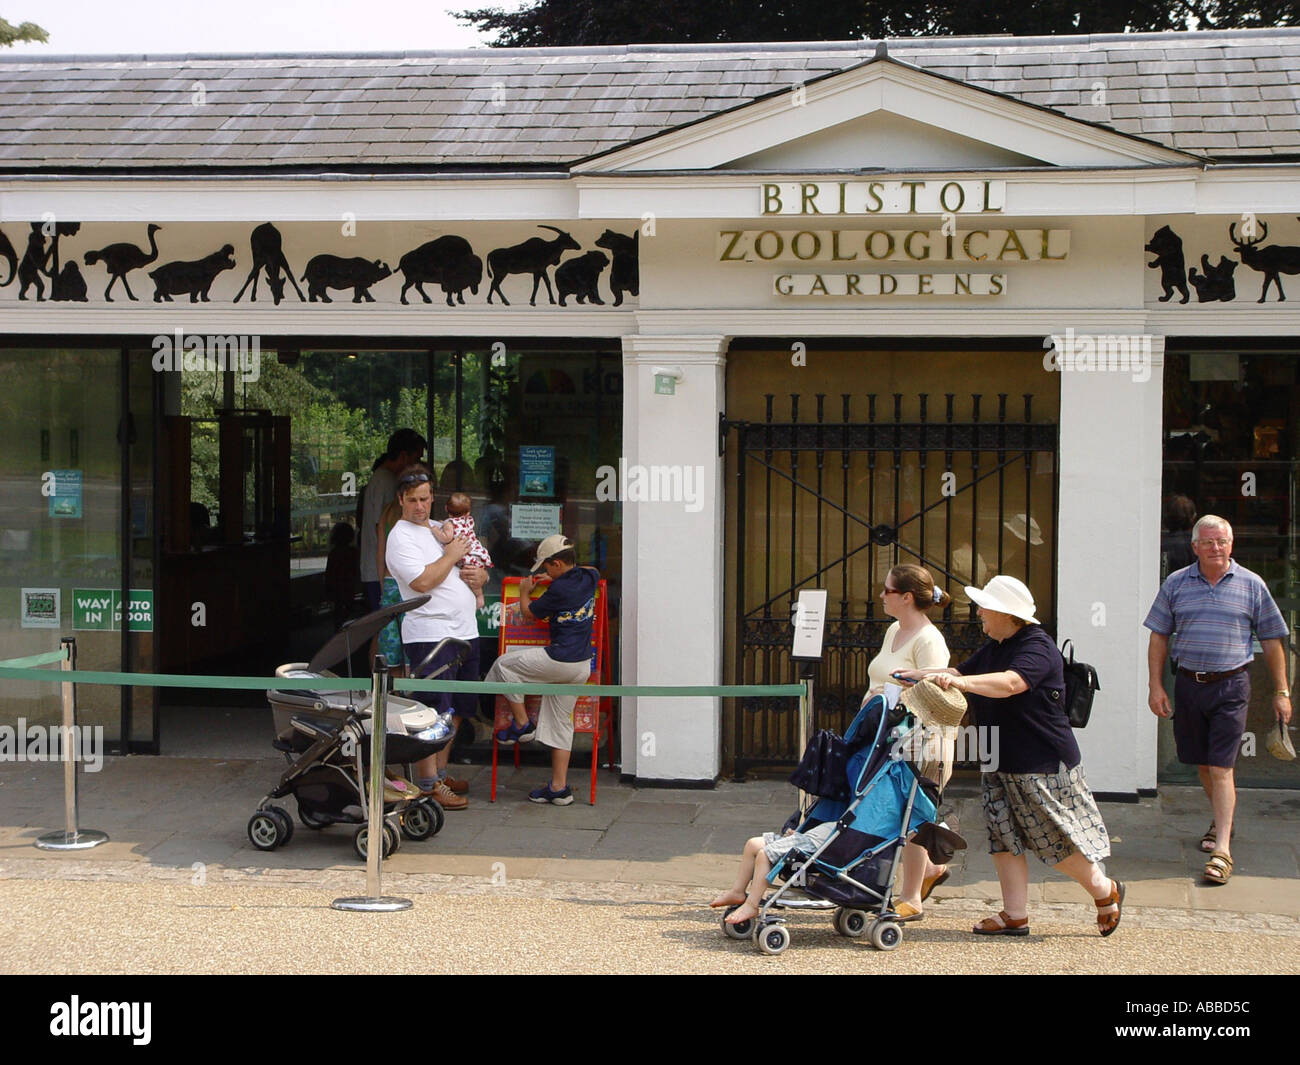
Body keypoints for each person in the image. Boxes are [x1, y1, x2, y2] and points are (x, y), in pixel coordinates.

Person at [898, 575, 1123, 937]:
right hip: (1000, 757)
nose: (980, 612)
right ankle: (1014, 914)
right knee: (1003, 837)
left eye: (985, 607)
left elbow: (1011, 683)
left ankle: (1104, 890)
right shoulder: (996, 642)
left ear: (1005, 612)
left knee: (1054, 841)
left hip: (1041, 762)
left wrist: (962, 684)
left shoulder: (1036, 646)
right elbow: (959, 672)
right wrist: (918, 675)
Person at [1144, 515, 1291, 885]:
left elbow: (1273, 641)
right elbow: (1159, 636)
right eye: (1207, 542)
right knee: (1203, 765)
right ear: (1194, 546)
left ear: (1231, 544)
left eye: (1221, 541)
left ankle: (1222, 849)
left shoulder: (1251, 585)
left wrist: (1282, 690)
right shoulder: (1176, 583)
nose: (1215, 548)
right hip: (1190, 685)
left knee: (1222, 766)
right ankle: (1221, 818)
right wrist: (1155, 686)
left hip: (1232, 686)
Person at [383, 463, 488, 811]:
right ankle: (427, 784)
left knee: (457, 709)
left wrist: (478, 578)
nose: (420, 506)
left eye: (425, 499)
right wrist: (452, 556)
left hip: (464, 630)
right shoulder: (399, 537)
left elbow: (465, 563)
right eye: (412, 500)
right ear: (401, 500)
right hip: (431, 633)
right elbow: (423, 582)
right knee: (431, 710)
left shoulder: (437, 528)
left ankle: (440, 774)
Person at [863, 564, 954, 922]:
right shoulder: (893, 631)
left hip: (923, 739)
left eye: (886, 590)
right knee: (902, 811)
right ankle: (930, 869)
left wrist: (888, 696)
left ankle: (911, 897)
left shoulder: (929, 640)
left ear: (905, 597)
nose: (881, 595)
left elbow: (934, 695)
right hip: (889, 735)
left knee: (912, 814)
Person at [485, 533, 598, 805]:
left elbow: (529, 613)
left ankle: (522, 724)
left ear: (557, 564)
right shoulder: (588, 577)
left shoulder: (558, 590)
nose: (544, 571)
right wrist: (555, 578)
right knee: (561, 722)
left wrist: (525, 591)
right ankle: (559, 789)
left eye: (546, 567)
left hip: (559, 660)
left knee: (504, 665)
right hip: (582, 665)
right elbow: (591, 569)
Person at [709, 822, 836, 925]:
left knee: (765, 854)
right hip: (809, 835)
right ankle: (737, 892)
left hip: (819, 843)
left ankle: (752, 905)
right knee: (752, 844)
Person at [360, 428, 425, 613]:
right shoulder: (387, 482)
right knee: (386, 629)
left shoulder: (382, 478)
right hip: (382, 572)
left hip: (379, 570)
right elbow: (383, 528)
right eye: (416, 458)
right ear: (404, 456)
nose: (417, 465)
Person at [434, 491, 493, 610]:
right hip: (476, 553)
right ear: (468, 513)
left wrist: (435, 530)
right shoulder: (468, 521)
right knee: (472, 578)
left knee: (470, 578)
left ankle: (479, 597)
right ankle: (480, 595)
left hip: (466, 557)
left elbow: (447, 537)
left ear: (446, 508)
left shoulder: (450, 524)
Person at [323, 521, 361, 629]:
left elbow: (329, 573)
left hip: (336, 588)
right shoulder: (353, 552)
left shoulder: (334, 553)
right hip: (348, 586)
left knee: (338, 613)